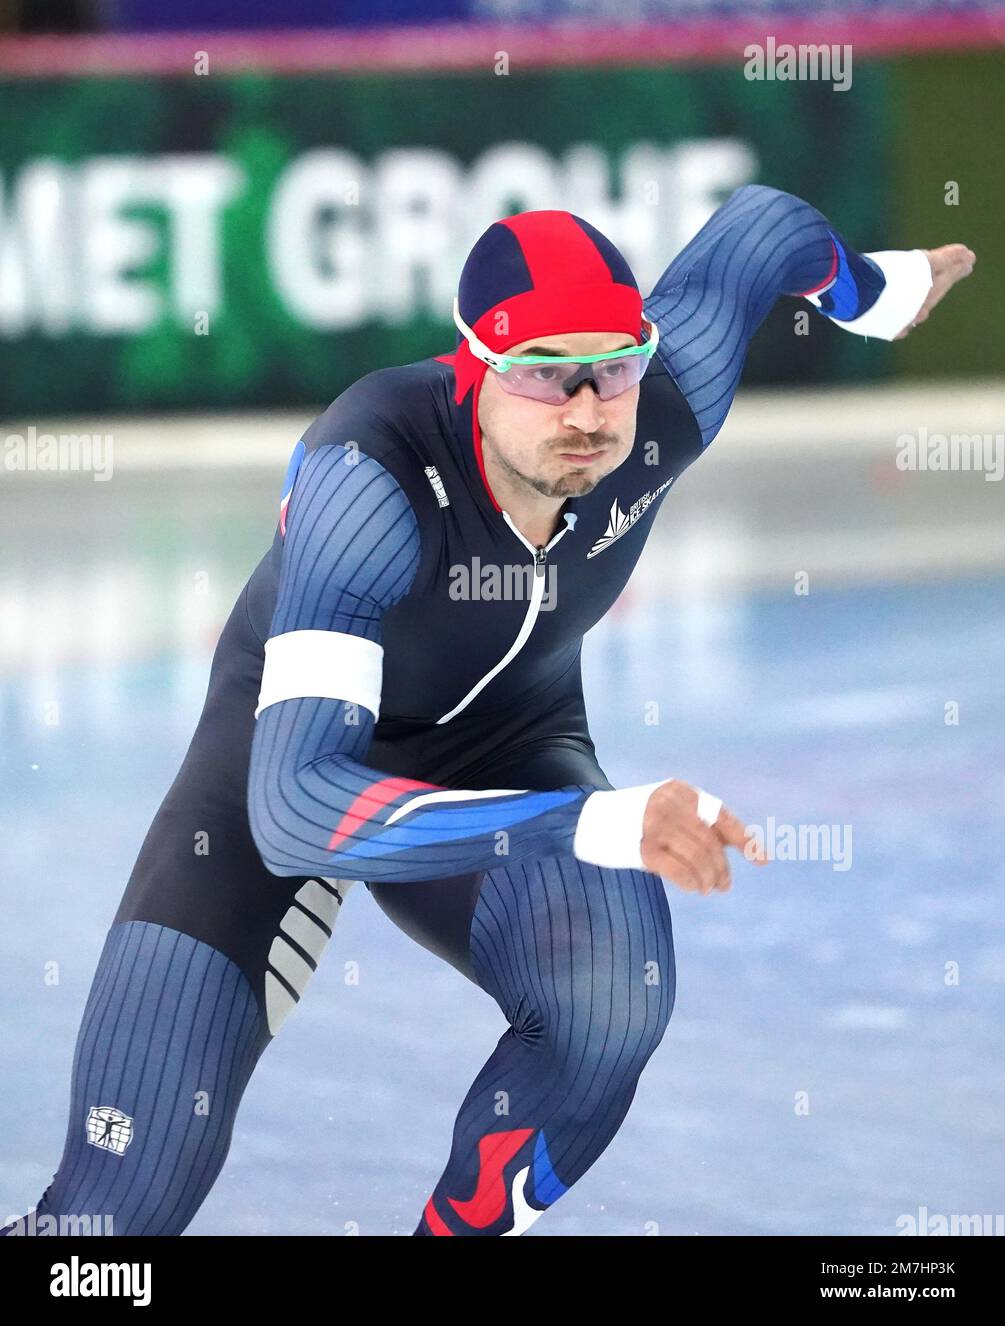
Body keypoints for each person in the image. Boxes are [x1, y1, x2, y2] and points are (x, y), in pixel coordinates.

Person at [2, 187, 974, 1238]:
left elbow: (769, 231)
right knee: (104, 1230)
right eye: (548, 376)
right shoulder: (369, 479)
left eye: (612, 367)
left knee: (613, 993)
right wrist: (590, 821)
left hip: (507, 745)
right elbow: (290, 811)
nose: (590, 410)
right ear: (476, 369)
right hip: (285, 763)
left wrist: (885, 291)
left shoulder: (668, 401)